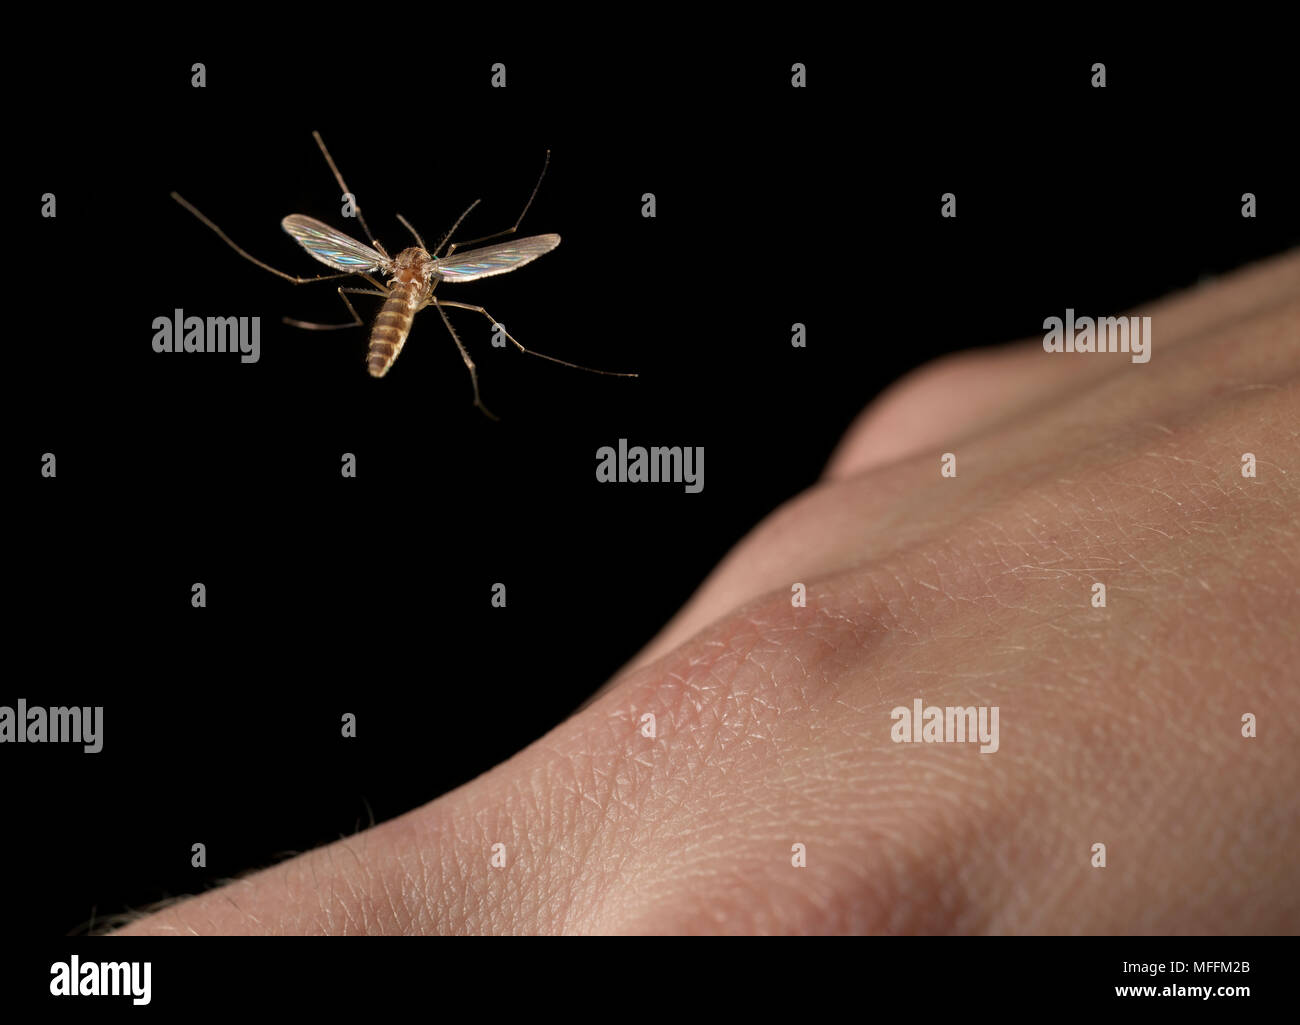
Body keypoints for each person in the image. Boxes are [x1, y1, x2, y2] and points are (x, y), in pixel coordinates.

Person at [118, 249, 1300, 934]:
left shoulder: (434, 286)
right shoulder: (408, 279)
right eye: (417, 270)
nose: (419, 275)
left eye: (421, 272)